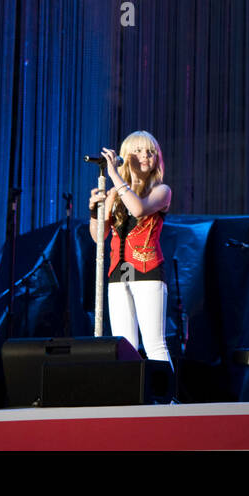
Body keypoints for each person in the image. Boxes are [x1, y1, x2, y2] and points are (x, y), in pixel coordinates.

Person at [88, 131, 173, 372]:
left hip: (148, 270)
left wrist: (114, 174)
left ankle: (166, 402)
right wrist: (95, 212)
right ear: (126, 156)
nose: (145, 156)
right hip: (119, 272)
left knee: (154, 343)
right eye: (138, 151)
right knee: (125, 345)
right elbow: (99, 237)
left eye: (150, 152)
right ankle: (131, 400)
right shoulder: (114, 194)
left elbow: (137, 209)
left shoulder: (161, 191)